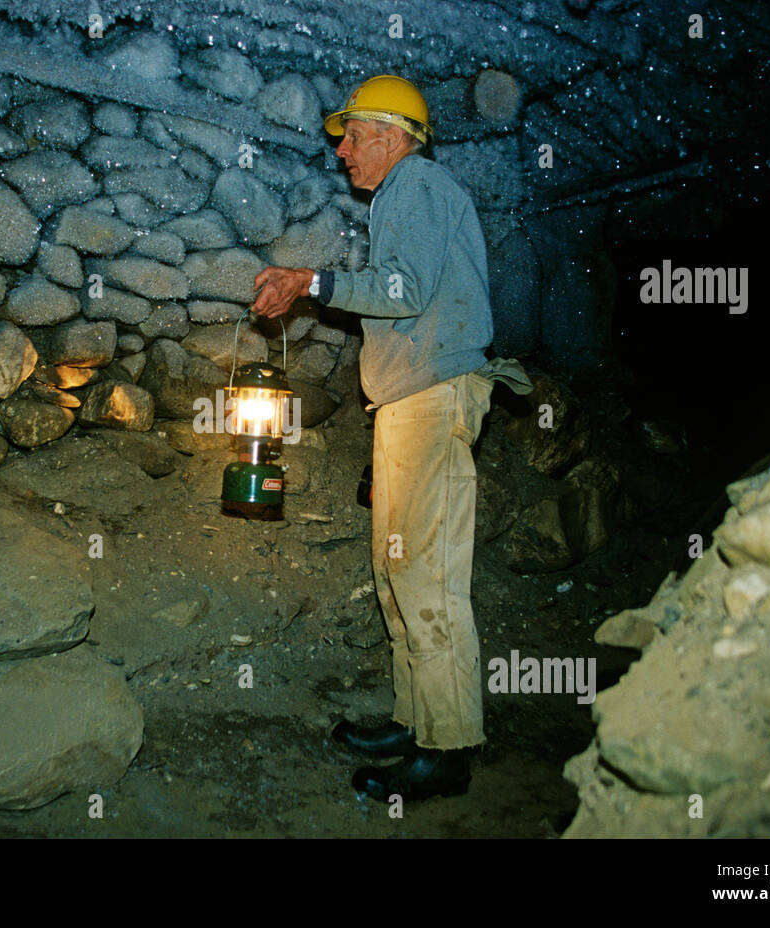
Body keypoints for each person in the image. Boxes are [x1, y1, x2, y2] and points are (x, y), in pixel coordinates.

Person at [252, 74, 496, 801]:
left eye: (354, 135)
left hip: (432, 399)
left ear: (394, 136)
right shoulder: (401, 196)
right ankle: (414, 717)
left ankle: (447, 748)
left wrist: (309, 282)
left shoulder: (416, 184)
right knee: (398, 570)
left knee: (428, 577)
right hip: (406, 403)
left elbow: (403, 291)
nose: (344, 150)